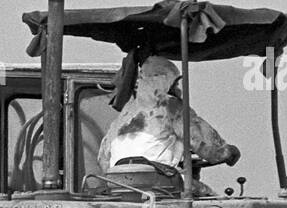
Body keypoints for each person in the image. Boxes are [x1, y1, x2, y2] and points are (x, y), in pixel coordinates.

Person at [97, 55, 240, 177]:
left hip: (119, 186)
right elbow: (206, 145)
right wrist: (227, 152)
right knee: (210, 196)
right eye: (175, 83)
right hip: (159, 183)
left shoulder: (124, 114)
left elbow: (103, 159)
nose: (177, 88)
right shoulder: (169, 106)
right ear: (164, 80)